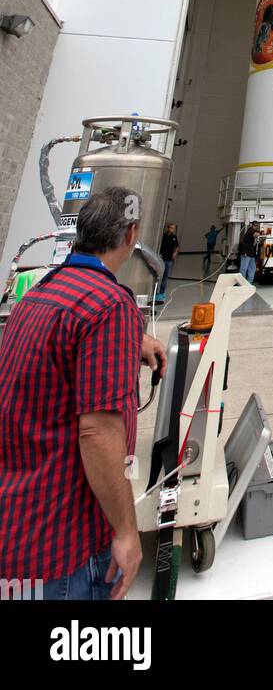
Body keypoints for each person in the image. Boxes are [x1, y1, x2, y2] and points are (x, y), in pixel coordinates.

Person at [0, 186, 166, 601]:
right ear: (131, 236)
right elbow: (98, 434)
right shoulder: (109, 306)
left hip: (17, 528)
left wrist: (131, 339)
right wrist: (127, 533)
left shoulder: (36, 295)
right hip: (64, 552)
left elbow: (61, 351)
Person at [157, 221, 179, 302]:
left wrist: (175, 253)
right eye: (172, 228)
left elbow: (177, 246)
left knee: (165, 277)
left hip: (169, 260)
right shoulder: (163, 236)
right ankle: (155, 292)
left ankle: (162, 293)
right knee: (159, 276)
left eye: (174, 228)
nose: (173, 230)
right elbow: (159, 245)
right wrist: (160, 254)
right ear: (168, 228)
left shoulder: (174, 237)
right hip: (162, 260)